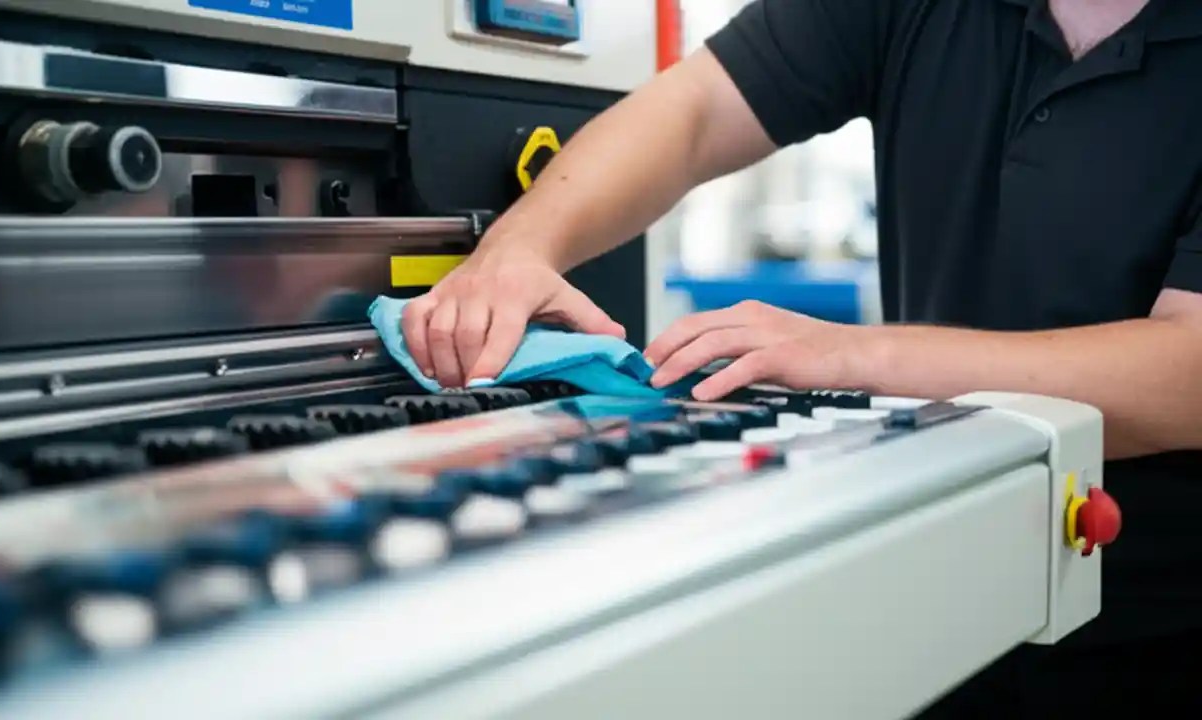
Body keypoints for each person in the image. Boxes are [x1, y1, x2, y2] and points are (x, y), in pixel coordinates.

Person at [404, 0, 1202, 714]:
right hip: (950, 587)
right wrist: (518, 247)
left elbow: (1187, 373)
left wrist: (849, 356)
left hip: (1163, 620)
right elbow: (696, 110)